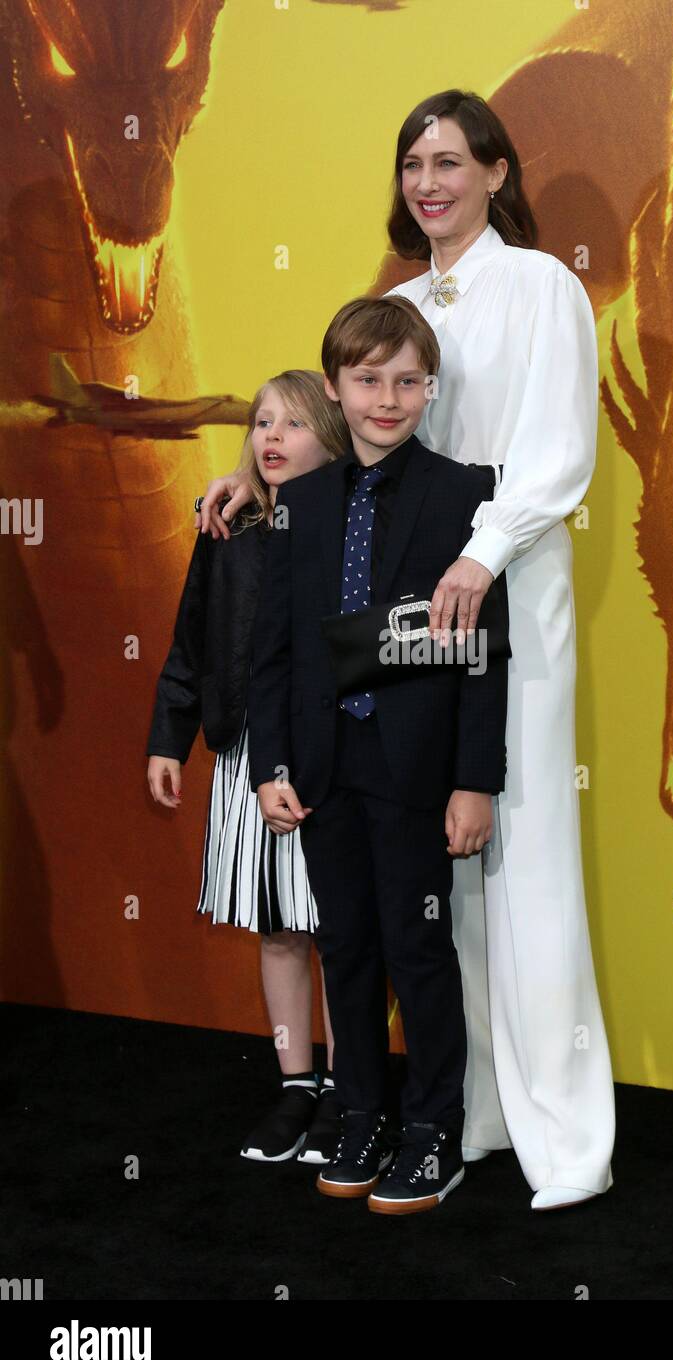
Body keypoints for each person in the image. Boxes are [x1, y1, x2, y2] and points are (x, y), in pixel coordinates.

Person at [197, 89, 616, 1213]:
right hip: (397, 627)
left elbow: (557, 455)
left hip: (502, 599)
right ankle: (464, 1108)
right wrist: (258, 473)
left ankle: (561, 1133)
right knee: (433, 886)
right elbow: (346, 423)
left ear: (495, 170)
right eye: (411, 164)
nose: (427, 182)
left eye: (447, 160)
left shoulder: (542, 287)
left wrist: (477, 559)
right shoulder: (395, 303)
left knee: (512, 859)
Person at [246, 293, 509, 1215]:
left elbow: (484, 651)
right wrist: (272, 764)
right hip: (323, 769)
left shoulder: (466, 492)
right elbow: (274, 647)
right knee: (346, 947)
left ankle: (434, 1129)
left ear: (431, 388)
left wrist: (475, 780)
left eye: (406, 380)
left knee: (419, 949)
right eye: (367, 380)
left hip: (416, 773)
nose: (386, 399)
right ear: (336, 387)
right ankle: (361, 1113)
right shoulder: (301, 503)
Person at [146, 371, 348, 1167]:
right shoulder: (226, 530)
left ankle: (353, 1087)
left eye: (293, 424)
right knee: (279, 930)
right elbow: (192, 641)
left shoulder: (354, 531)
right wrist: (169, 736)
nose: (271, 437)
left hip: (329, 761)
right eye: (262, 422)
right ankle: (298, 1084)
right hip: (242, 762)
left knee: (340, 927)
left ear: (330, 438)